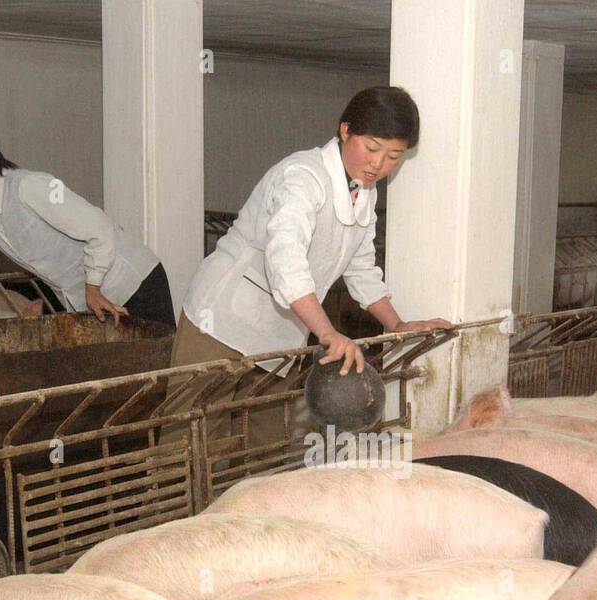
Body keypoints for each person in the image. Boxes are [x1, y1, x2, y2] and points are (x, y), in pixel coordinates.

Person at [175, 86, 450, 450]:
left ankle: (255, 506)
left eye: (393, 157)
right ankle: (181, 509)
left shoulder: (364, 192)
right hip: (221, 319)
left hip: (282, 327)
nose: (378, 165)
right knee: (190, 437)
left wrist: (396, 324)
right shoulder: (302, 177)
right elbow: (285, 259)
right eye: (371, 148)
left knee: (266, 438)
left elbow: (361, 267)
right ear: (345, 130)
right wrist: (328, 333)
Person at [0, 118, 173, 329]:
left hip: (133, 284)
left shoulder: (29, 187)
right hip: (91, 299)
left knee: (156, 377)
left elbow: (99, 229)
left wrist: (93, 286)